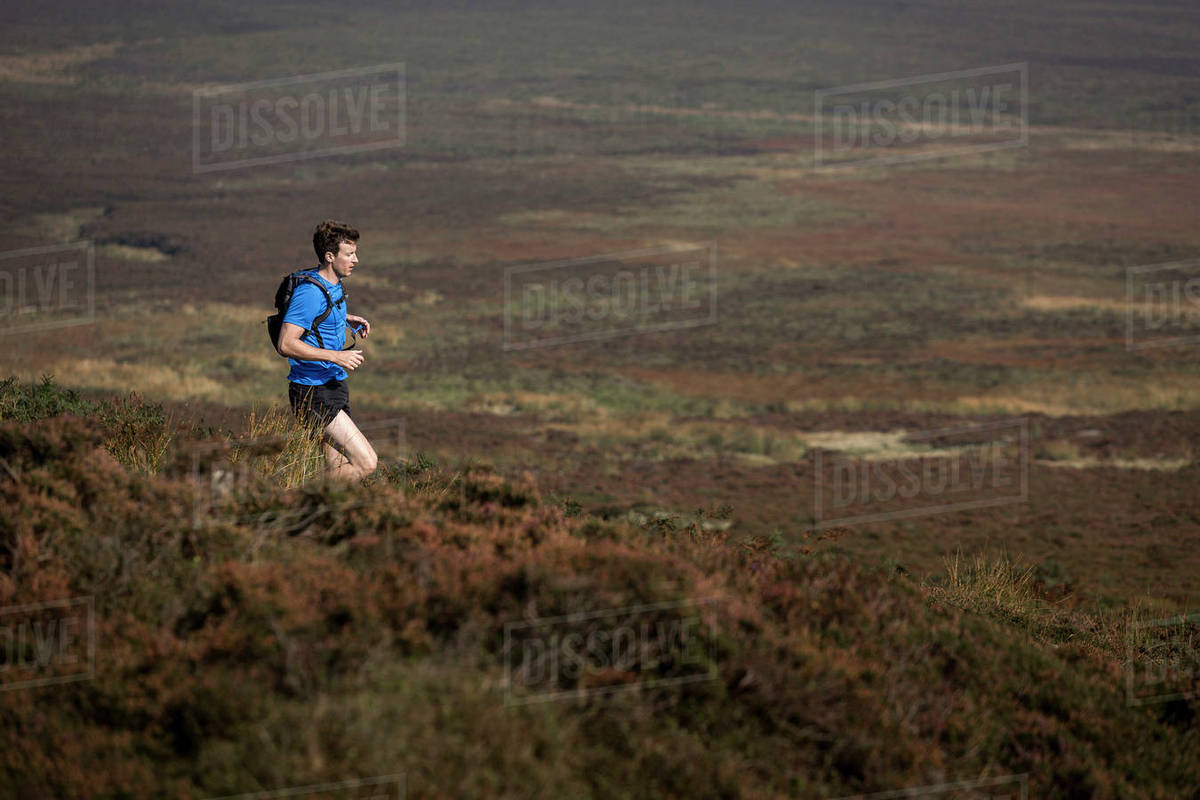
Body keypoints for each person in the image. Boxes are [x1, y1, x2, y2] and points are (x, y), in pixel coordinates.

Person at [277, 220, 378, 481]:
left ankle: (320, 511)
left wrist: (346, 319)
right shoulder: (309, 292)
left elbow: (317, 316)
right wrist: (337, 355)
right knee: (366, 463)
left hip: (334, 385)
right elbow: (286, 344)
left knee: (336, 470)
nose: (356, 259)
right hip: (312, 391)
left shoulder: (332, 285)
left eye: (355, 252)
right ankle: (304, 500)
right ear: (330, 256)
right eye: (349, 254)